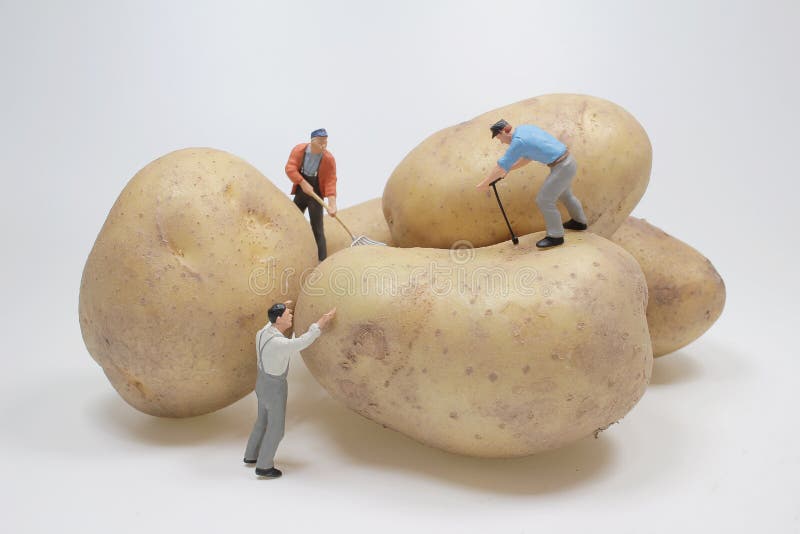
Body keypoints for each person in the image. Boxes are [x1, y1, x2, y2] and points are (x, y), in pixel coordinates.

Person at [243, 300, 336, 479]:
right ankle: (263, 466)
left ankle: (251, 455)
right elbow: (303, 341)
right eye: (287, 314)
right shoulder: (279, 343)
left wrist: (280, 306)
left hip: (261, 382)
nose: (291, 316)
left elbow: (268, 323)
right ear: (278, 320)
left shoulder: (262, 333)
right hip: (274, 387)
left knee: (261, 421)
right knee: (276, 429)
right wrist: (320, 324)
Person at [475, 119, 588, 248]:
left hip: (561, 167)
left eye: (499, 138)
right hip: (568, 162)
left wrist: (484, 183)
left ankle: (556, 236)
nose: (501, 141)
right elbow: (527, 158)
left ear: (502, 132)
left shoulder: (518, 142)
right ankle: (579, 222)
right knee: (565, 195)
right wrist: (509, 169)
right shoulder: (524, 129)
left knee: (544, 200)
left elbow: (500, 165)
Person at [285, 128, 338, 261]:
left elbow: (331, 181)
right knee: (291, 219)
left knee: (318, 229)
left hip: (316, 194)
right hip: (301, 191)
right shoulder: (299, 150)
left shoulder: (328, 159)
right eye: (320, 142)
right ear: (312, 141)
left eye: (325, 142)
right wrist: (302, 182)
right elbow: (290, 168)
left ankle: (322, 260)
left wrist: (332, 204)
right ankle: (287, 249)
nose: (323, 146)